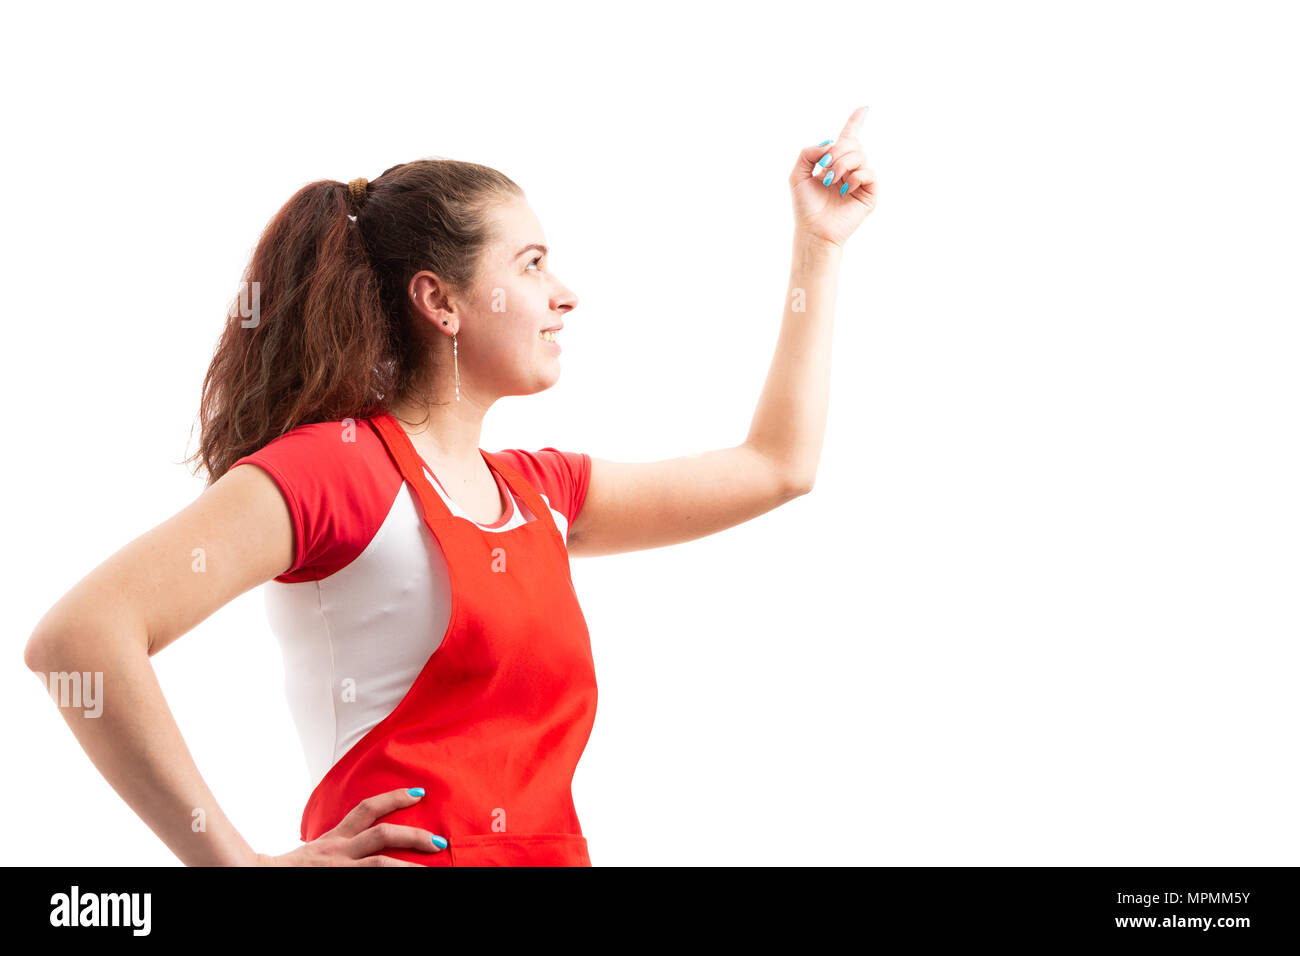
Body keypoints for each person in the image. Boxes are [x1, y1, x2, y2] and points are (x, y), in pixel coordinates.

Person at [23, 106, 876, 866]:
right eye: (534, 263)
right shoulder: (339, 467)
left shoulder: (543, 492)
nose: (566, 294)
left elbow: (777, 467)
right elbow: (80, 638)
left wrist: (819, 246)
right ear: (441, 301)